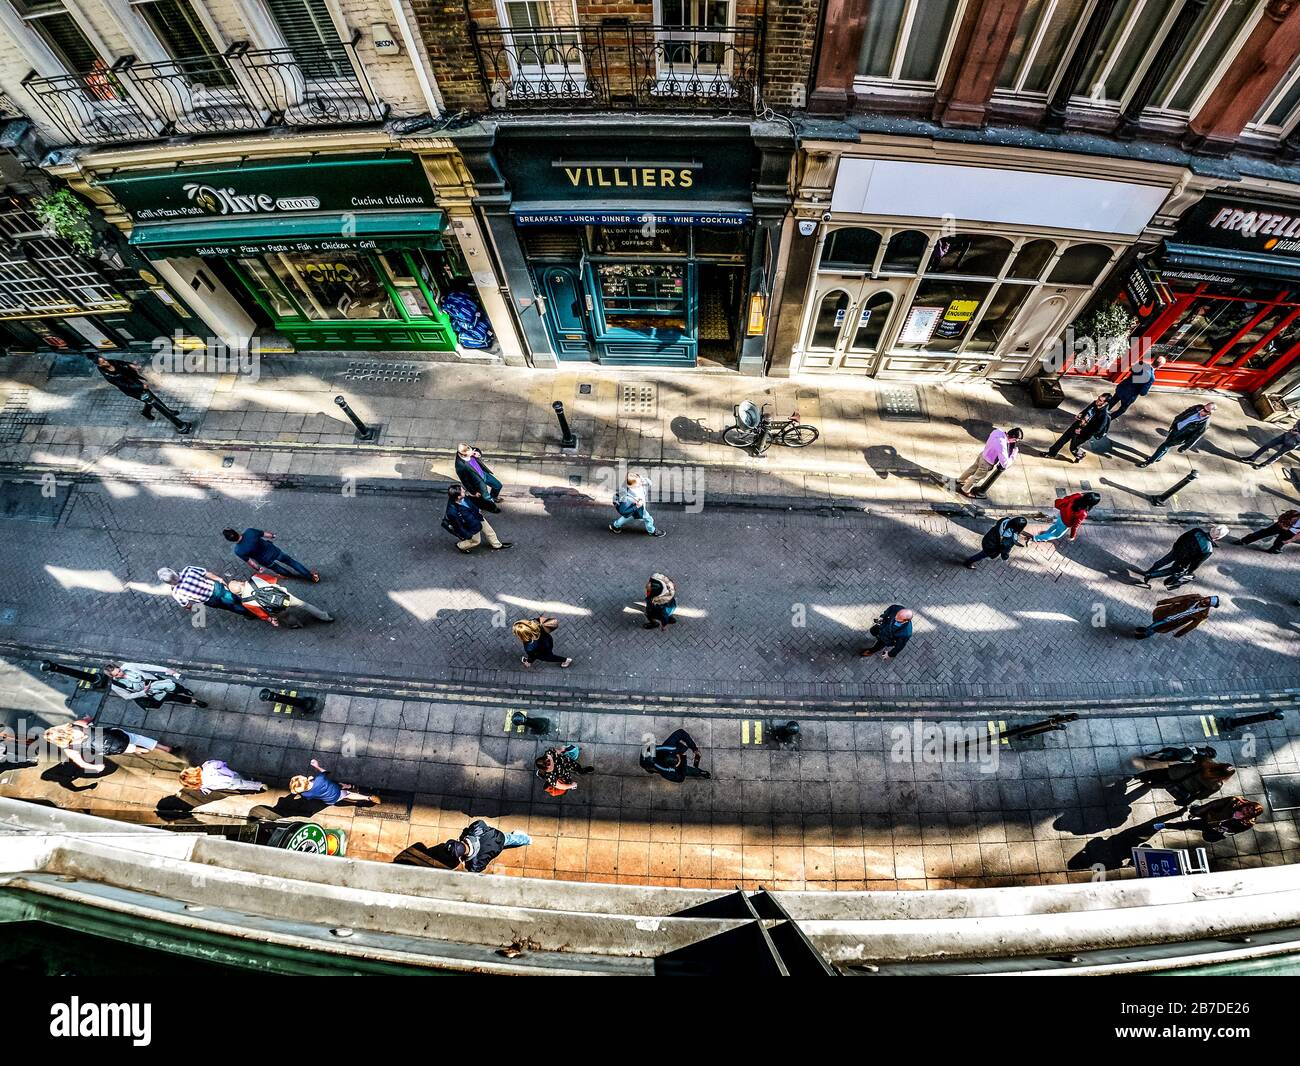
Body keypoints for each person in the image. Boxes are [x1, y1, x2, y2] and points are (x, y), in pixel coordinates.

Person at [43, 719, 170, 774]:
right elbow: (88, 720)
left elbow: (82, 764)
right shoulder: (75, 725)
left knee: (130, 748)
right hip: (115, 735)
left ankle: (141, 750)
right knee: (137, 738)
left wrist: (97, 767)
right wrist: (88, 718)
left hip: (113, 748)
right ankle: (165, 748)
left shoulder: (69, 750)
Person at [1135, 525, 1226, 588]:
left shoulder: (1197, 531)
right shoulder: (1208, 549)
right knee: (1172, 570)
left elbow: (1182, 537)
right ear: (1218, 538)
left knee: (1164, 560)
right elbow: (1196, 563)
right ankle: (1150, 575)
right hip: (1184, 561)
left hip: (1177, 550)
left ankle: (1150, 570)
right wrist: (1190, 571)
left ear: (1212, 529)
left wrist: (1176, 546)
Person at [229, 573, 334, 628]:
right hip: (284, 597)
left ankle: (296, 625)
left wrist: (270, 619)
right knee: (304, 605)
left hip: (275, 608)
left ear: (237, 594)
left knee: (287, 616)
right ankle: (325, 617)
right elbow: (273, 580)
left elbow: (261, 614)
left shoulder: (245, 602)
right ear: (240, 582)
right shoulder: (255, 578)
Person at [428, 819, 531, 872]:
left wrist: (465, 863)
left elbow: (478, 869)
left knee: (506, 842)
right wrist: (466, 833)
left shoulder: (474, 863)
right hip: (499, 837)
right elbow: (480, 822)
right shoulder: (475, 830)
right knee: (510, 839)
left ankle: (526, 840)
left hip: (496, 849)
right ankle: (527, 840)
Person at [157, 565, 256, 618]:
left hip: (210, 600)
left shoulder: (177, 593)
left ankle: (250, 614)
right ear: (172, 571)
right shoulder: (188, 570)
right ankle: (250, 605)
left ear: (168, 583)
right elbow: (206, 574)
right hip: (216, 588)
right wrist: (219, 579)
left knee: (230, 607)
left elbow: (187, 605)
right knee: (233, 597)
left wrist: (190, 608)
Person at [223, 527, 318, 582]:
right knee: (292, 562)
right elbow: (265, 534)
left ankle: (290, 576)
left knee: (278, 569)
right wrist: (273, 536)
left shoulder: (238, 550)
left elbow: (250, 562)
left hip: (266, 561)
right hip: (275, 552)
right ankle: (311, 577)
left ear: (230, 540)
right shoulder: (250, 532)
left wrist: (258, 568)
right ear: (236, 532)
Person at [1137, 402, 1214, 466]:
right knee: (1166, 446)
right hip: (1176, 429)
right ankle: (1158, 457)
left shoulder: (1204, 424)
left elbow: (1195, 437)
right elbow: (1185, 412)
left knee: (1164, 445)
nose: (1202, 411)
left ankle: (1149, 461)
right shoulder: (1197, 407)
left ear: (1210, 413)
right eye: (1203, 408)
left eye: (1205, 411)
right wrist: (1177, 419)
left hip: (1181, 437)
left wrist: (1184, 447)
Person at [1155, 796, 1264, 841]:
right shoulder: (1234, 801)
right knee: (1187, 825)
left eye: (1249, 813)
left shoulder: (1248, 823)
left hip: (1215, 828)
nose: (1245, 811)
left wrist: (1226, 829)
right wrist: (1199, 812)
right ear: (1247, 804)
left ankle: (1193, 811)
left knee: (1206, 837)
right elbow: (1213, 804)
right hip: (1209, 818)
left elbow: (1235, 831)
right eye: (1247, 808)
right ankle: (1165, 825)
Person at [106, 662, 207, 709]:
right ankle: (194, 701)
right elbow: (127, 696)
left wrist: (167, 670)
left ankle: (184, 690)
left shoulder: (128, 666)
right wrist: (143, 692)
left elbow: (148, 667)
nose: (121, 674)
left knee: (174, 686)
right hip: (152, 693)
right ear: (112, 676)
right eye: (117, 674)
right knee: (175, 698)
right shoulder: (116, 685)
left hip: (155, 681)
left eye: (119, 671)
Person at [443, 485, 512, 553]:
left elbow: (469, 502)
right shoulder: (452, 512)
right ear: (458, 497)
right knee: (476, 541)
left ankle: (497, 545)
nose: (464, 490)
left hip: (477, 516)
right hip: (471, 526)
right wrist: (467, 535)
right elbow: (458, 526)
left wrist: (476, 507)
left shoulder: (460, 497)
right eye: (462, 491)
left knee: (489, 531)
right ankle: (460, 546)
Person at [957, 427, 1023, 498]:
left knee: (972, 469)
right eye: (1016, 440)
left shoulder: (997, 431)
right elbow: (1005, 464)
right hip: (987, 463)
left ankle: (960, 479)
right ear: (1013, 437)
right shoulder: (1002, 444)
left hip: (982, 455)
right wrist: (1013, 454)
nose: (1015, 441)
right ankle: (964, 490)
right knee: (976, 477)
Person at [289, 757, 380, 807]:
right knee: (347, 793)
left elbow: (312, 791)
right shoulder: (319, 779)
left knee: (344, 796)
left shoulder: (305, 795)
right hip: (336, 790)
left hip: (330, 800)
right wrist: (316, 766)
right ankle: (367, 798)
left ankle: (351, 790)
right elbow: (325, 772)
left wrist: (309, 782)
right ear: (305, 779)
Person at [1047, 395, 1111, 463]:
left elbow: (1097, 430)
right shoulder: (1095, 403)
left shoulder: (1104, 415)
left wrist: (1082, 430)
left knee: (1073, 448)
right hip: (1077, 425)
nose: (1097, 401)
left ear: (1105, 403)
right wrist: (1081, 414)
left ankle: (1080, 455)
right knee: (1063, 439)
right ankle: (1051, 453)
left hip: (1083, 434)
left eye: (1100, 400)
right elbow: (1087, 410)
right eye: (1098, 398)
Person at [91, 355, 155, 421]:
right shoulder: (109, 376)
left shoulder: (112, 361)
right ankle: (146, 412)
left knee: (151, 399)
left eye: (105, 360)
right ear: (100, 365)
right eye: (103, 362)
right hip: (132, 390)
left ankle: (146, 411)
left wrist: (131, 365)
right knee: (150, 400)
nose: (106, 362)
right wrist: (141, 386)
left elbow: (123, 363)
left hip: (135, 381)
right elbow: (124, 385)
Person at [1134, 594, 1219, 639]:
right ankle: (1147, 632)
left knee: (1156, 626)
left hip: (1173, 621)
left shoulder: (1203, 614)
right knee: (1156, 624)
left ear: (1209, 605)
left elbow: (1192, 625)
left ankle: (1146, 633)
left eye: (1205, 603)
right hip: (1168, 612)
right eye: (1204, 599)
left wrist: (1180, 633)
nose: (1202, 601)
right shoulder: (1196, 597)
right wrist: (1164, 602)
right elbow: (1180, 598)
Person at [1162, 754, 1235, 805]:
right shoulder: (1216, 785)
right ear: (1225, 777)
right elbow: (1201, 796)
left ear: (1221, 764)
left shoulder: (1206, 761)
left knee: (1153, 775)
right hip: (1182, 787)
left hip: (1175, 772)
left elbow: (1193, 756)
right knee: (1162, 784)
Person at [640, 729, 710, 782]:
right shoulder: (666, 772)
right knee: (686, 771)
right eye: (678, 761)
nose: (680, 757)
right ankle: (700, 773)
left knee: (678, 747)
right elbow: (680, 779)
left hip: (651, 753)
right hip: (650, 763)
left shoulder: (669, 746)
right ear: (673, 767)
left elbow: (681, 732)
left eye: (678, 756)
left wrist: (694, 749)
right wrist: (683, 760)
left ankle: (650, 769)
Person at [610, 472, 665, 536]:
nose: (641, 483)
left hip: (634, 510)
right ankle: (652, 531)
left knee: (626, 517)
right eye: (639, 483)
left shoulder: (637, 484)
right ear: (632, 486)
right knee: (649, 519)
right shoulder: (627, 496)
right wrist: (636, 506)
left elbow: (650, 483)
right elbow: (623, 510)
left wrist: (644, 479)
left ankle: (615, 526)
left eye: (640, 480)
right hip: (638, 509)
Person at [1032, 492, 1101, 543]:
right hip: (1065, 523)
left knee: (1055, 525)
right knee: (1056, 535)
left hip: (1061, 514)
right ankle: (1037, 538)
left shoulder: (1077, 496)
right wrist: (1072, 536)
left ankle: (1046, 533)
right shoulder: (1083, 513)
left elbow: (1066, 498)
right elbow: (1075, 526)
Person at [964, 516, 1029, 569]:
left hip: (988, 539)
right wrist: (1005, 557)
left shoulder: (1004, 520)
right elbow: (1004, 552)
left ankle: (969, 561)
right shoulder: (1009, 540)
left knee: (982, 553)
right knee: (981, 555)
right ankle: (968, 563)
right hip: (991, 548)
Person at [454, 443, 503, 513]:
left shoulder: (467, 448)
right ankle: (492, 508)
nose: (472, 452)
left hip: (483, 474)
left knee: (498, 485)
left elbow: (476, 449)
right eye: (471, 453)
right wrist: (473, 492)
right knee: (486, 497)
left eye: (471, 450)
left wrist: (477, 453)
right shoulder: (460, 466)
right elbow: (465, 481)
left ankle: (494, 497)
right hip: (478, 482)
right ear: (464, 454)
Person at [178, 760, 266, 795]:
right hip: (230, 776)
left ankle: (256, 786)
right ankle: (259, 785)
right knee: (242, 780)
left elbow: (207, 791)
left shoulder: (203, 785)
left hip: (228, 784)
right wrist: (223, 764)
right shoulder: (207, 767)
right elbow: (218, 763)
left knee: (242, 785)